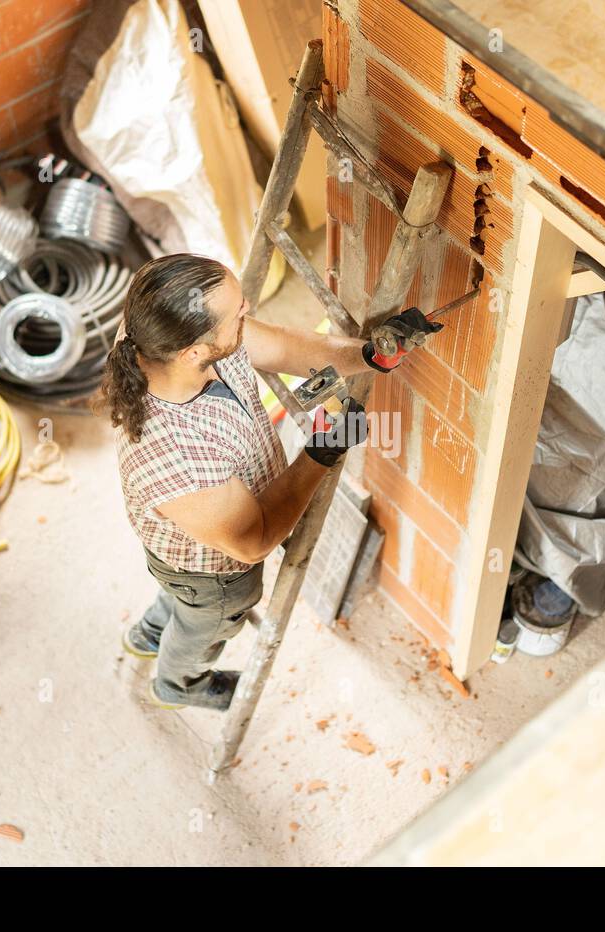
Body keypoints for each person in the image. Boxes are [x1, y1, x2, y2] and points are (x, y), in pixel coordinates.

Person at [95, 253, 442, 710]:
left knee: (183, 607)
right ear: (194, 352)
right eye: (237, 313)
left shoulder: (160, 338)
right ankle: (177, 685)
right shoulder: (173, 456)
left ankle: (153, 630)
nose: (248, 311)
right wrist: (322, 450)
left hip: (184, 546)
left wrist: (369, 355)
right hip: (211, 575)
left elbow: (283, 348)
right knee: (210, 622)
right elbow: (254, 540)